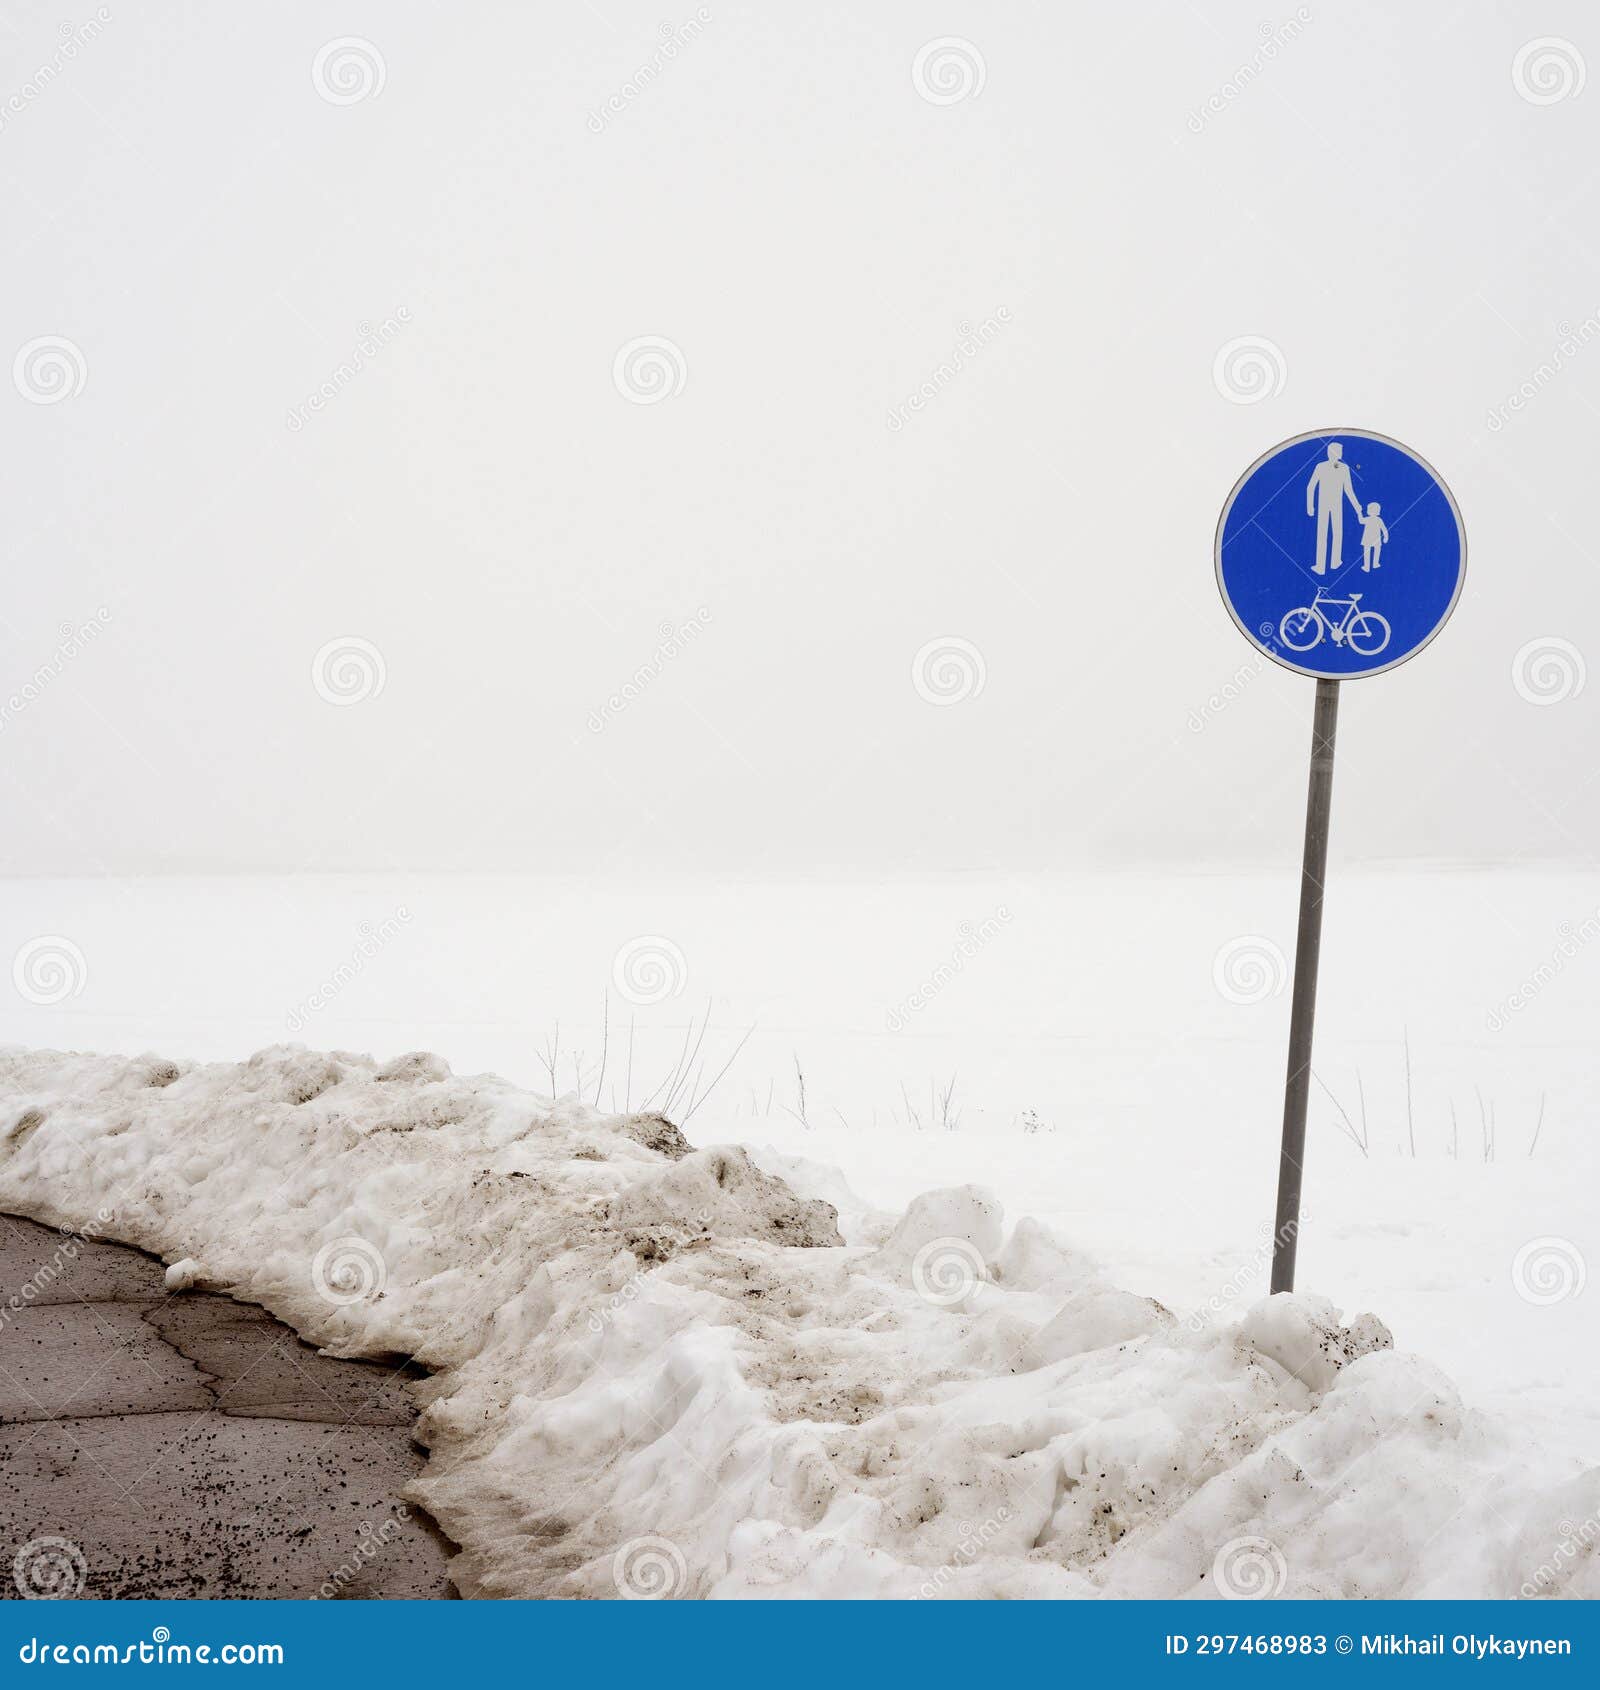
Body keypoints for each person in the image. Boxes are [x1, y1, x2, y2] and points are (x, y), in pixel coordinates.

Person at [1305, 442, 1363, 575]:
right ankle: (1327, 564)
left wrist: (1356, 505)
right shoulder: (1323, 467)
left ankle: (1331, 563)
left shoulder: (1342, 468)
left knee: (1331, 533)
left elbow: (1348, 490)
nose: (1340, 453)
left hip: (1332, 504)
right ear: (1331, 452)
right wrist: (1310, 506)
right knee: (1329, 533)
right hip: (1327, 504)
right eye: (1339, 451)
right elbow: (1310, 487)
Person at [1360, 502, 1389, 571]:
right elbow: (1384, 529)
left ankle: (1367, 567)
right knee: (1377, 550)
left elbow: (1361, 521)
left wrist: (1359, 513)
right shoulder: (1379, 520)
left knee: (1367, 552)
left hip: (1367, 538)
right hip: (1376, 539)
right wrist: (1386, 537)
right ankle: (1375, 564)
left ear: (1369, 511)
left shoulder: (1368, 519)